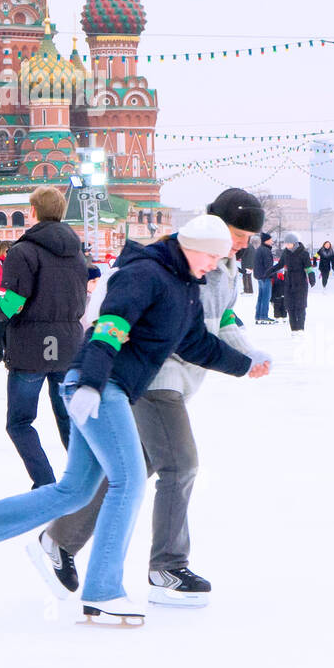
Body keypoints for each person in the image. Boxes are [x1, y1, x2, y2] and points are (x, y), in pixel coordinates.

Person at [0, 214, 267, 625]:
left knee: (74, 491)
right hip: (100, 385)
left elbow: (195, 342)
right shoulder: (145, 273)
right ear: (193, 246)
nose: (214, 266)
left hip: (103, 387)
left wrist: (244, 364)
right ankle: (104, 590)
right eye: (212, 257)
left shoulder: (183, 287)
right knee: (127, 481)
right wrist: (91, 384)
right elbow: (109, 326)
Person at [34, 188, 272, 607]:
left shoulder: (226, 266)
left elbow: (225, 317)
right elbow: (178, 332)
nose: (241, 243)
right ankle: (167, 567)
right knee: (180, 464)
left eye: (247, 237)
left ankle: (59, 540)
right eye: (238, 233)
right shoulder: (187, 259)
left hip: (179, 379)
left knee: (132, 469)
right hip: (156, 377)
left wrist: (247, 353)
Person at [0, 186, 88, 488]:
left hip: (31, 349)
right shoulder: (77, 252)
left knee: (19, 422)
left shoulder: (23, 251)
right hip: (69, 346)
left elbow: (13, 304)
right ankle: (84, 480)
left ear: (33, 212)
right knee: (68, 419)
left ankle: (45, 483)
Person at [269, 234, 314, 334]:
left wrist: (311, 277)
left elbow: (308, 268)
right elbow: (280, 265)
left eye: (288, 244)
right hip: (288, 283)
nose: (287, 245)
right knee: (290, 306)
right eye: (286, 244)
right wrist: (269, 271)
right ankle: (293, 329)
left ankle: (300, 328)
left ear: (294, 243)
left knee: (300, 306)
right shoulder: (286, 253)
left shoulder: (303, 253)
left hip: (300, 283)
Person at [252, 232, 277, 325]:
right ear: (266, 240)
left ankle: (258, 316)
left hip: (260, 276)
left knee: (261, 296)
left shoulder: (259, 249)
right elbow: (268, 266)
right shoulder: (266, 250)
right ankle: (263, 316)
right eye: (270, 239)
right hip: (265, 276)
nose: (272, 241)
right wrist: (273, 274)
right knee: (266, 297)